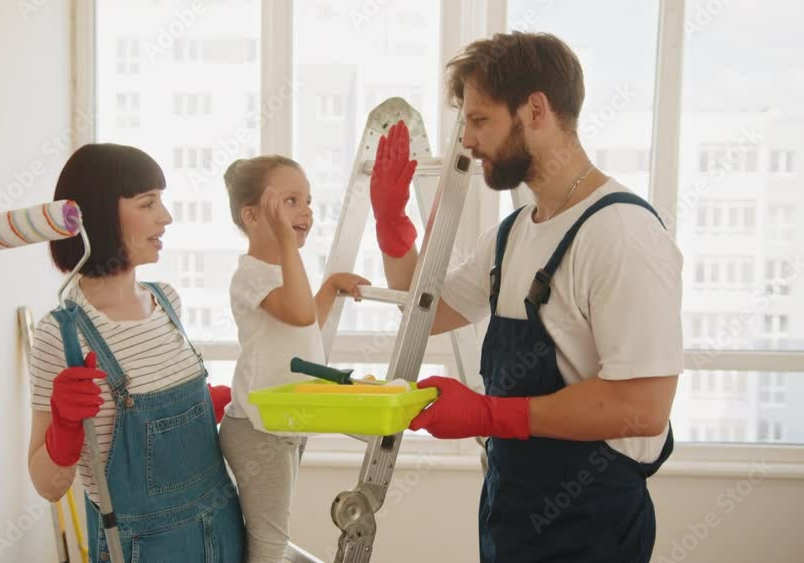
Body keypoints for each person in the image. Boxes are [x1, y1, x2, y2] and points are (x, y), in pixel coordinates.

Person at [371, 32, 682, 563]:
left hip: (590, 530)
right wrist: (390, 221)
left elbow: (642, 409)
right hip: (511, 517)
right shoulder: (513, 234)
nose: (466, 141)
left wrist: (489, 415)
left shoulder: (621, 234)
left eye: (479, 120)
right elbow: (422, 308)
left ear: (535, 110)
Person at [26, 143, 244, 562]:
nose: (166, 216)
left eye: (161, 200)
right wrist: (64, 430)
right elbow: (47, 485)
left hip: (223, 527)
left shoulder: (168, 302)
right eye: (148, 203)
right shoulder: (63, 334)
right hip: (141, 549)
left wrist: (215, 402)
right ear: (101, 215)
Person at [219, 155, 369, 562]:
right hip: (258, 428)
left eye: (308, 201)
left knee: (271, 535)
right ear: (252, 215)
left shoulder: (283, 273)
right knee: (270, 542)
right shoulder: (251, 274)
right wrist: (288, 243)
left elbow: (306, 324)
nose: (305, 211)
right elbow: (299, 313)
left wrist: (332, 285)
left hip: (282, 422)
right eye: (291, 201)